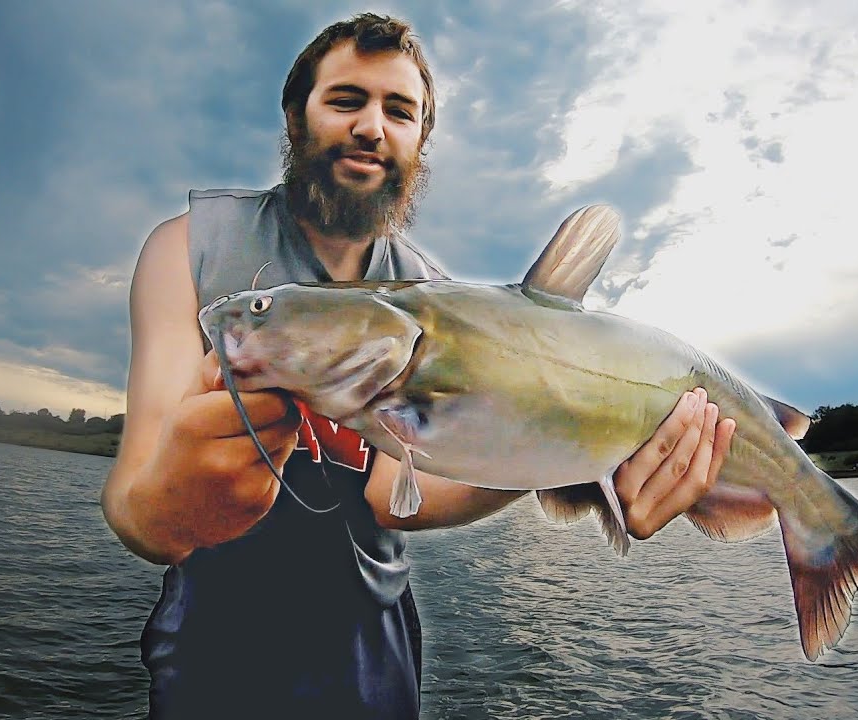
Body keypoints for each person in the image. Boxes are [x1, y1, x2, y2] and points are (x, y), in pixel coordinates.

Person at [100, 12, 737, 720]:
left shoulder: (443, 299)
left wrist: (551, 452)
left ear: (420, 141)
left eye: (399, 111)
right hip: (215, 640)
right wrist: (168, 508)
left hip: (371, 644)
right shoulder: (187, 246)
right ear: (294, 115)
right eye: (346, 99)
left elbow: (392, 492)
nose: (372, 126)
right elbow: (133, 504)